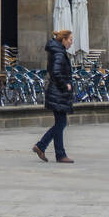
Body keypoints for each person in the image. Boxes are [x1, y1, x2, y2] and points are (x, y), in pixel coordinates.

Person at [32, 28, 74, 164]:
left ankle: (59, 154)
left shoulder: (57, 52)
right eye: (70, 40)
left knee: (60, 123)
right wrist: (65, 85)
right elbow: (56, 72)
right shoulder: (59, 54)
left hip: (56, 92)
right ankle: (43, 146)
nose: (71, 43)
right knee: (61, 123)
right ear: (63, 40)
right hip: (58, 92)